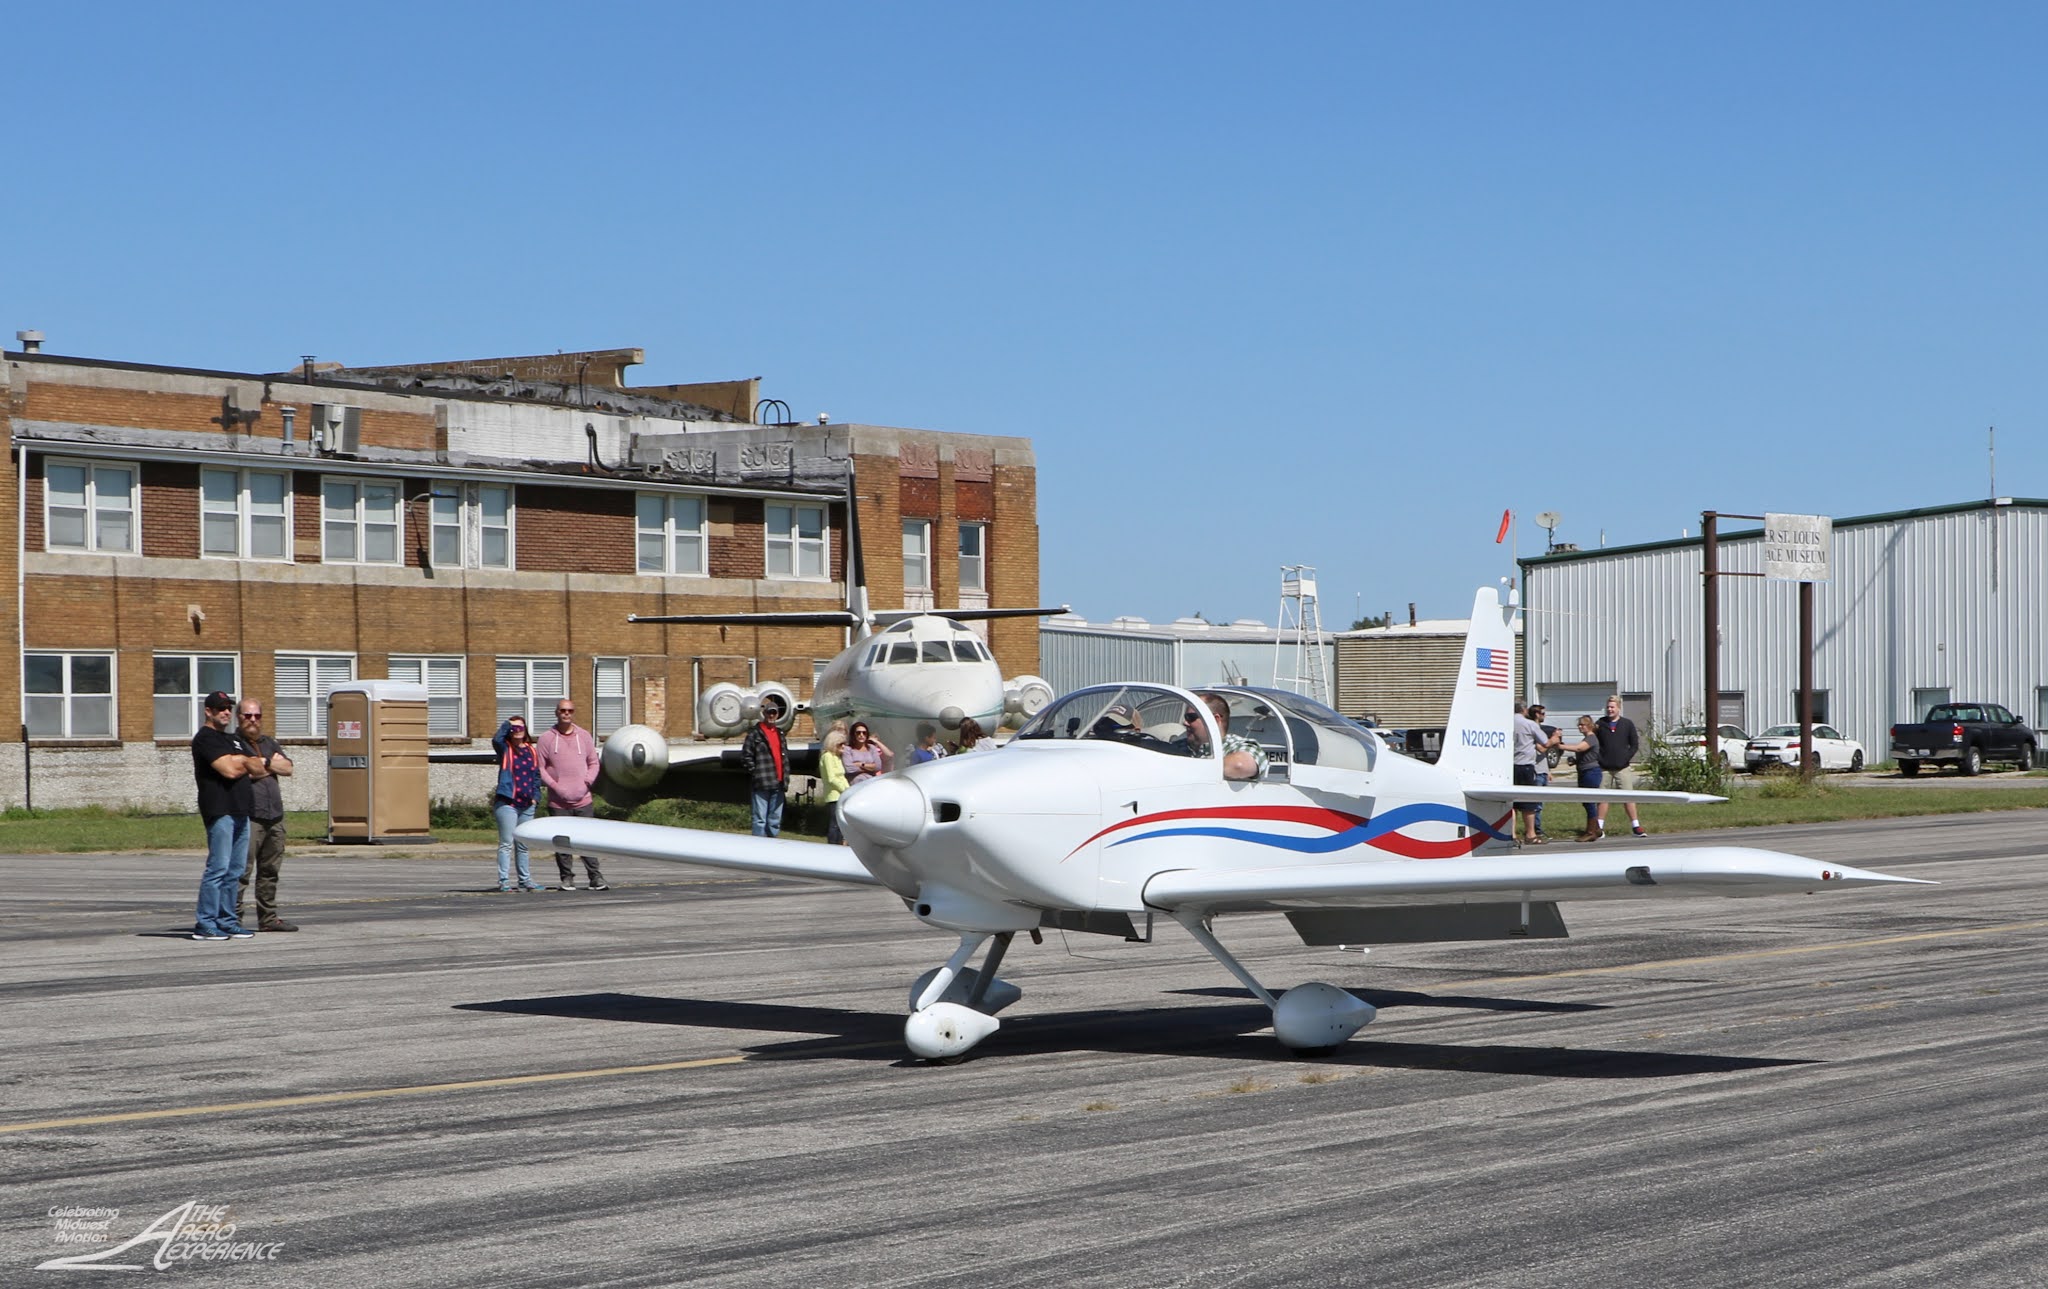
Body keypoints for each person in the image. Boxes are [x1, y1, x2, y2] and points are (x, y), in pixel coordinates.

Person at [190, 690, 270, 941]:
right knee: (218, 868)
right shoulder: (205, 738)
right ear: (208, 711)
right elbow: (228, 770)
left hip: (241, 811)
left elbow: (259, 769)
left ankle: (227, 921)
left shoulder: (233, 741)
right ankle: (206, 923)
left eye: (228, 708)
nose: (226, 712)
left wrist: (243, 760)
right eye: (220, 708)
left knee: (236, 870)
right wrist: (244, 762)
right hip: (220, 810)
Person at [234, 699, 298, 932]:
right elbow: (241, 773)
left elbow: (288, 768)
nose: (252, 720)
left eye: (257, 716)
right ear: (238, 717)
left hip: (275, 817)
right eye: (247, 715)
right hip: (250, 817)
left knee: (270, 871)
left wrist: (266, 762)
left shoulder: (269, 743)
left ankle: (268, 918)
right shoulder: (234, 743)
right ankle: (233, 919)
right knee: (242, 871)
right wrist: (267, 767)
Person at [537, 698, 606, 891]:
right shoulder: (546, 739)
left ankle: (596, 877)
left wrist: (587, 782)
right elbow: (540, 768)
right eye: (563, 710)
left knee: (587, 840)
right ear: (556, 713)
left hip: (583, 800)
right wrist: (554, 786)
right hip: (558, 803)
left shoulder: (584, 736)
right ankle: (567, 878)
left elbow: (594, 762)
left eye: (570, 710)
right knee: (562, 842)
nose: (566, 714)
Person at [492, 716, 546, 891]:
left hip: (527, 803)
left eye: (520, 727)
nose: (518, 731)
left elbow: (536, 776)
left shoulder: (531, 750)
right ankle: (504, 880)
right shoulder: (505, 748)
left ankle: (525, 879)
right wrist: (507, 725)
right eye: (514, 729)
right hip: (508, 802)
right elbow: (496, 739)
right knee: (506, 842)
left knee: (523, 844)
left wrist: (535, 797)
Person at [1178, 692, 1268, 781]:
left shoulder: (1237, 746)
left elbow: (1240, 765)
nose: (1185, 723)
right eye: (1185, 718)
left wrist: (1182, 768)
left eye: (1191, 717)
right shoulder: (1179, 746)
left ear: (1215, 720)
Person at [1590, 695, 1645, 839]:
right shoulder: (1600, 724)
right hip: (1604, 768)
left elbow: (1634, 744)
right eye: (1608, 707)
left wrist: (1625, 758)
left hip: (1622, 768)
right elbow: (1593, 743)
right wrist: (1600, 759)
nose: (1610, 709)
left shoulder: (1627, 724)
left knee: (1628, 797)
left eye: (1612, 707)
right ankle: (1599, 828)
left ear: (1618, 708)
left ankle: (1636, 826)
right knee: (1602, 797)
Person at [742, 695, 791, 837]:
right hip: (762, 782)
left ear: (777, 715)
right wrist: (756, 772)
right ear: (764, 713)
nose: (771, 715)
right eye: (769, 712)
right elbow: (746, 755)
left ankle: (772, 848)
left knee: (774, 820)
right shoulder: (755, 733)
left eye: (774, 712)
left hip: (779, 782)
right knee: (760, 820)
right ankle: (758, 850)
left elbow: (785, 756)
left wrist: (785, 777)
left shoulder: (780, 733)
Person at [1511, 702, 1548, 845]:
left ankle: (1512, 834)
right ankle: (1530, 834)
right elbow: (1545, 742)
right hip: (1525, 765)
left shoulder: (1505, 722)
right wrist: (1556, 738)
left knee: (1511, 803)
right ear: (1524, 709)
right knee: (1529, 803)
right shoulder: (1529, 724)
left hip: (1509, 766)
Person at [1561, 714, 1603, 839]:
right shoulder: (1586, 738)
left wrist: (1560, 746)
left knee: (1590, 801)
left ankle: (1591, 832)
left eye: (1582, 724)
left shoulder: (1591, 738)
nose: (1580, 727)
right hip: (1584, 771)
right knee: (1586, 802)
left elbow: (1579, 748)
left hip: (1591, 773)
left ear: (1589, 726)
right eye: (1579, 724)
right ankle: (1597, 828)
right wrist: (1575, 761)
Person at [1526, 703, 1563, 840]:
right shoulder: (1531, 729)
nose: (1544, 716)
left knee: (1540, 803)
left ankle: (1538, 828)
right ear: (1536, 714)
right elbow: (1541, 749)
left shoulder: (1539, 729)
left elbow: (1544, 753)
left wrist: (1548, 771)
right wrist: (1553, 740)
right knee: (1534, 803)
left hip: (1542, 769)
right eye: (1542, 713)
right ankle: (1535, 830)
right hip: (1534, 769)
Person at [819, 727, 850, 845]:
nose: (844, 746)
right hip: (834, 795)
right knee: (834, 824)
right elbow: (831, 778)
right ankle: (832, 845)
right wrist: (845, 790)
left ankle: (839, 844)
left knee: (840, 824)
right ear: (834, 744)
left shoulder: (836, 757)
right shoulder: (827, 756)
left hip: (842, 795)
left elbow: (841, 777)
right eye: (841, 744)